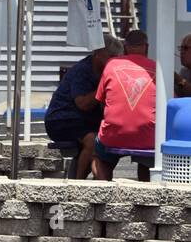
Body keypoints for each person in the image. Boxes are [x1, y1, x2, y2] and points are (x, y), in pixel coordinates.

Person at [44, 36, 123, 179]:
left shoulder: (107, 71)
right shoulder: (82, 71)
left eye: (116, 57)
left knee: (114, 138)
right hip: (63, 119)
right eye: (110, 56)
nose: (114, 61)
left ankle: (100, 177)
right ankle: (78, 183)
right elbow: (83, 104)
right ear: (98, 53)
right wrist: (104, 86)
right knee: (92, 140)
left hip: (85, 120)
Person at [92, 30, 156, 181]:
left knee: (99, 154)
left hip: (113, 135)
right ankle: (145, 195)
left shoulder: (111, 65)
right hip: (147, 138)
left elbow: (101, 101)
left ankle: (104, 191)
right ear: (146, 47)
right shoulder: (157, 68)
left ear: (125, 47)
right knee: (148, 161)